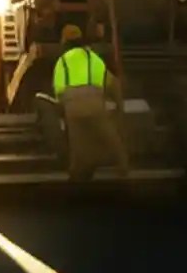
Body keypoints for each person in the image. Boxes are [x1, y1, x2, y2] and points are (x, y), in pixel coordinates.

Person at [52, 24, 130, 180]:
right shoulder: (92, 57)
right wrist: (119, 107)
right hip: (95, 105)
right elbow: (111, 83)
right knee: (111, 138)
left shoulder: (62, 62)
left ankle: (76, 177)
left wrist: (65, 112)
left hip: (72, 107)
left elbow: (58, 91)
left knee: (77, 146)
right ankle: (124, 170)